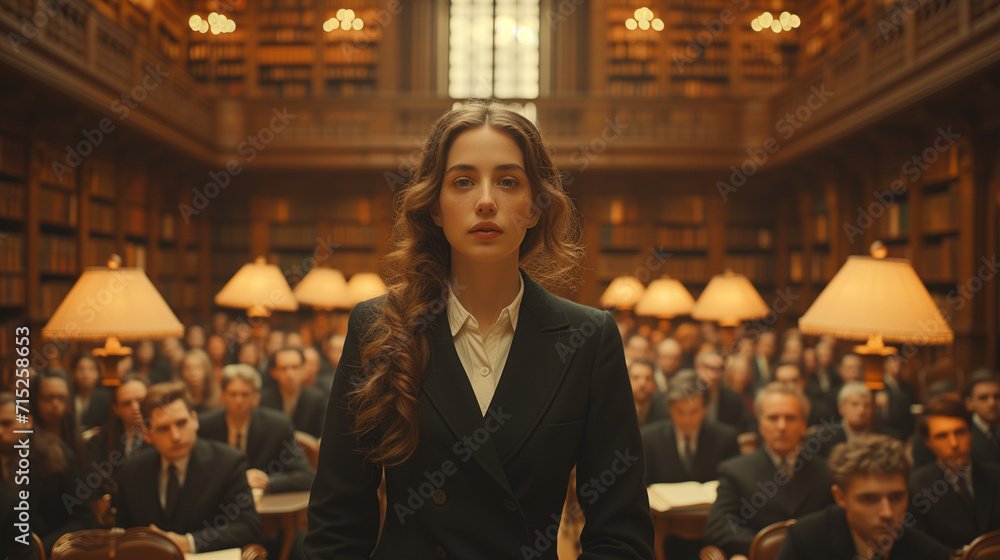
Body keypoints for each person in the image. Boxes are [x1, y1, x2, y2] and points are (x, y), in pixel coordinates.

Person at [304, 100, 654, 559]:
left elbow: (620, 533)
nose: (486, 200)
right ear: (434, 206)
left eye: (508, 182)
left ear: (534, 207)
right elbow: (337, 525)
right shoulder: (377, 327)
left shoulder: (589, 338)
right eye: (463, 181)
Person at [113, 382, 261, 553]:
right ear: (147, 434)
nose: (175, 436)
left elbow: (249, 527)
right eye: (163, 429)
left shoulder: (228, 463)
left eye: (181, 423)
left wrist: (188, 542)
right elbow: (123, 535)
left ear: (194, 420)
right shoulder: (132, 471)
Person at [704, 382, 834, 558]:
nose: (781, 426)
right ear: (760, 424)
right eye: (773, 418)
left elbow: (836, 525)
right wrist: (767, 546)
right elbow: (719, 526)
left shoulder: (826, 471)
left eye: (790, 418)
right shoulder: (735, 471)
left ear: (803, 425)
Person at [776, 434, 952, 560]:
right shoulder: (804, 541)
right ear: (840, 497)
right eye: (869, 499)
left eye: (896, 497)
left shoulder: (931, 555)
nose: (887, 513)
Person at [199, 364, 314, 494]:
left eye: (245, 394)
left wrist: (266, 481)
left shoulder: (278, 426)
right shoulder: (204, 425)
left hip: (265, 505)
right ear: (223, 396)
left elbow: (306, 476)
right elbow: (197, 475)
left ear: (256, 398)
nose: (238, 400)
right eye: (233, 394)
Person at [907, 393, 1000, 550]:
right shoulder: (916, 487)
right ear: (928, 442)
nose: (954, 443)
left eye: (960, 432)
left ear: (971, 433)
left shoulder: (995, 476)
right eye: (942, 436)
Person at [261, 347, 326, 438]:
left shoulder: (317, 400)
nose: (290, 374)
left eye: (295, 367)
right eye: (283, 368)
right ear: (273, 372)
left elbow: (322, 435)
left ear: (304, 368)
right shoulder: (264, 400)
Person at [964, 369, 1000, 465]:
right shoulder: (964, 433)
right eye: (983, 398)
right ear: (970, 404)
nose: (992, 403)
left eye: (997, 396)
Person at [70, 353, 111, 431]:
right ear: (73, 373)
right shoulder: (69, 396)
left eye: (91, 369)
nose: (85, 374)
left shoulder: (105, 397)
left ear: (99, 373)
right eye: (80, 369)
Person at [178, 348, 222, 412]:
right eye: (188, 368)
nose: (192, 373)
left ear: (207, 370)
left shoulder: (219, 396)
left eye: (197, 367)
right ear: (182, 372)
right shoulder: (178, 398)